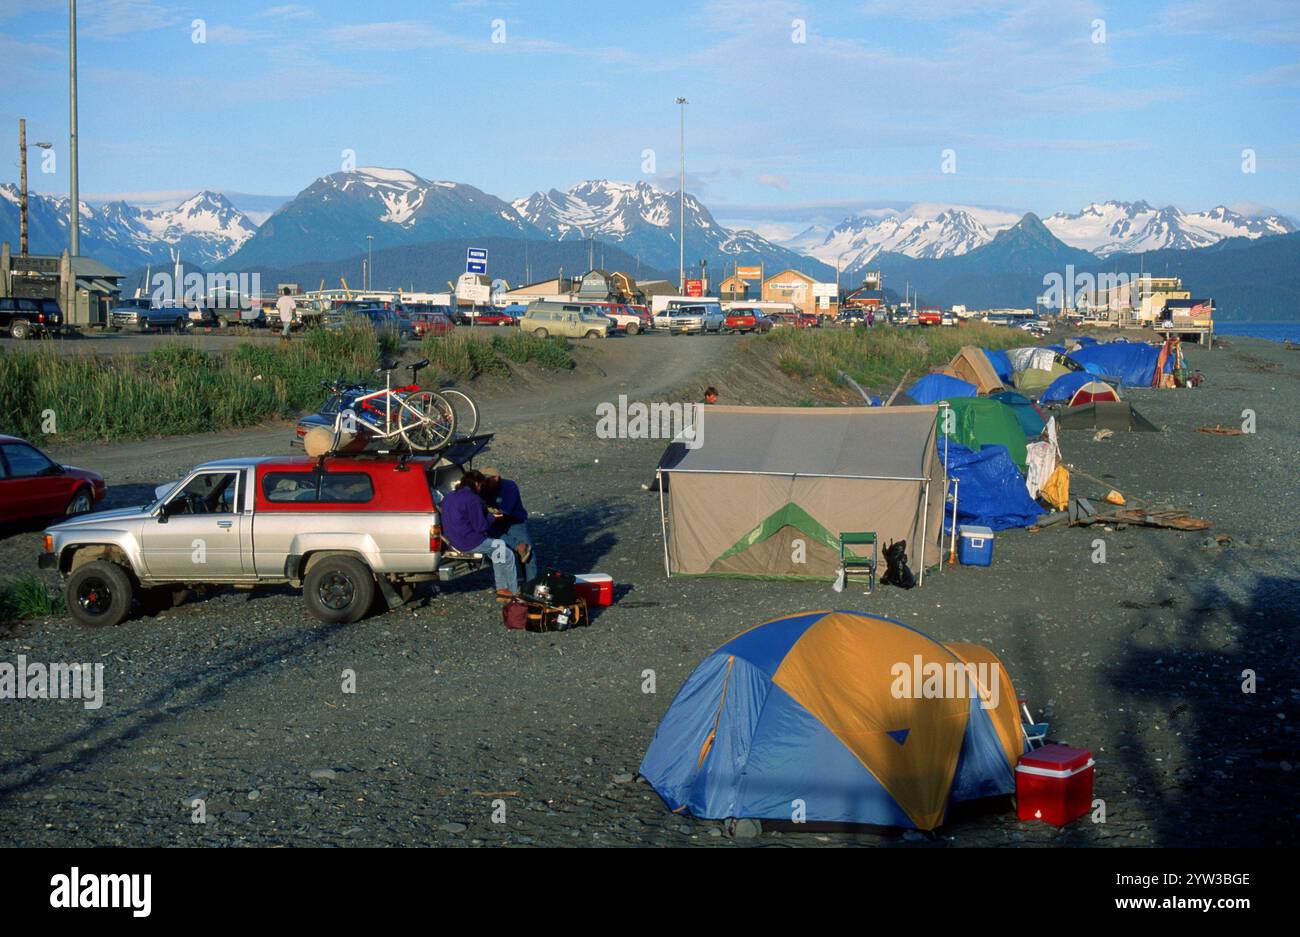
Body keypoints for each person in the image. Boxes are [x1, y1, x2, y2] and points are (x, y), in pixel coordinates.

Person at [439, 470, 518, 600]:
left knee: (498, 549)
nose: (481, 488)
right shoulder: (472, 498)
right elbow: (481, 527)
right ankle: (513, 592)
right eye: (481, 485)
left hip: (452, 539)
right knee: (507, 553)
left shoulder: (450, 496)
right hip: (467, 541)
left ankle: (502, 588)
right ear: (476, 483)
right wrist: (493, 516)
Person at [479, 467, 538, 585]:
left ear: (496, 477)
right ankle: (518, 548)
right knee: (498, 546)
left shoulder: (509, 486)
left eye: (487, 479)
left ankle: (531, 584)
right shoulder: (483, 488)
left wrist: (487, 509)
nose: (484, 482)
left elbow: (505, 510)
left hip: (514, 521)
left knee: (529, 554)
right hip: (495, 521)